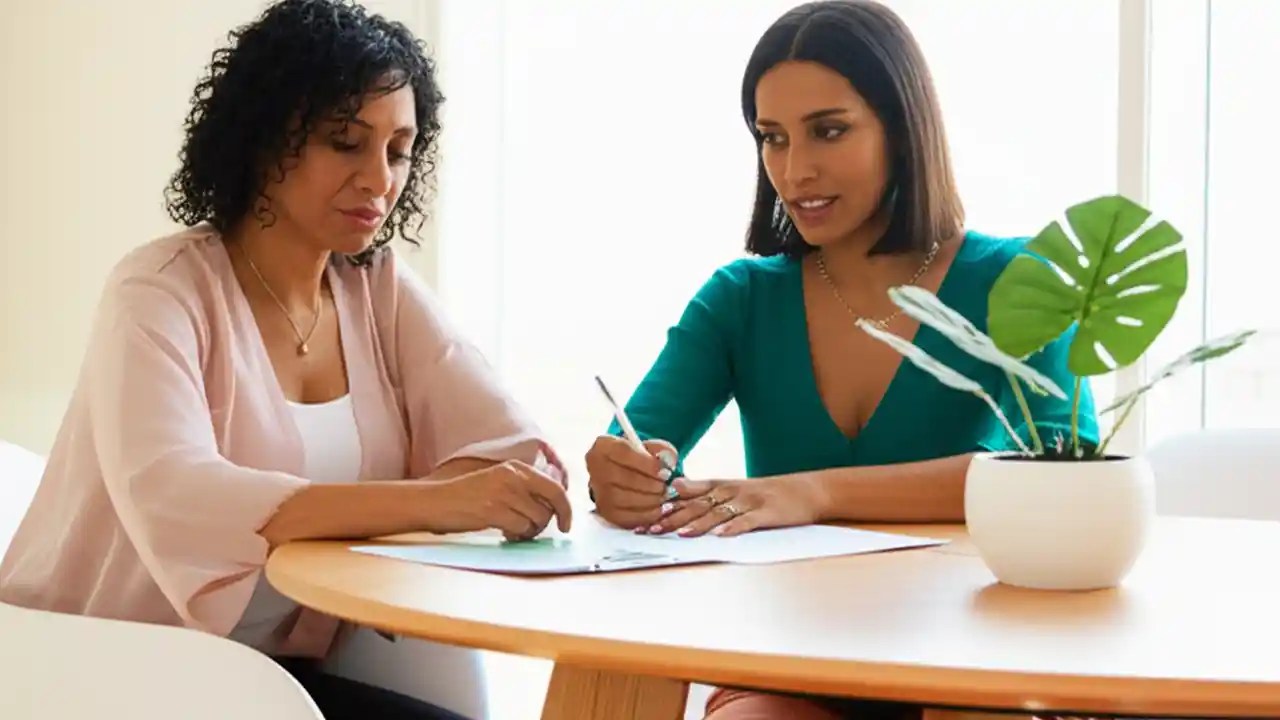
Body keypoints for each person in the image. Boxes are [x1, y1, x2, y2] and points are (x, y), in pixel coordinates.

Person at [0, 1, 571, 718]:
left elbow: (515, 453)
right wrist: (437, 502)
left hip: (268, 677)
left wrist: (478, 494)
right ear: (266, 140)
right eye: (345, 142)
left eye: (398, 150)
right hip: (110, 671)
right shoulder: (158, 290)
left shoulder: (376, 287)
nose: (380, 180)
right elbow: (179, 496)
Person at [584, 2, 1099, 719]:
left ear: (903, 127)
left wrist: (812, 493)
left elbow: (1059, 479)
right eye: (772, 138)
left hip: (983, 655)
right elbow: (636, 453)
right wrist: (620, 478)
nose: (795, 170)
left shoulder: (1023, 281)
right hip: (792, 660)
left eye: (829, 130)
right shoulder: (740, 299)